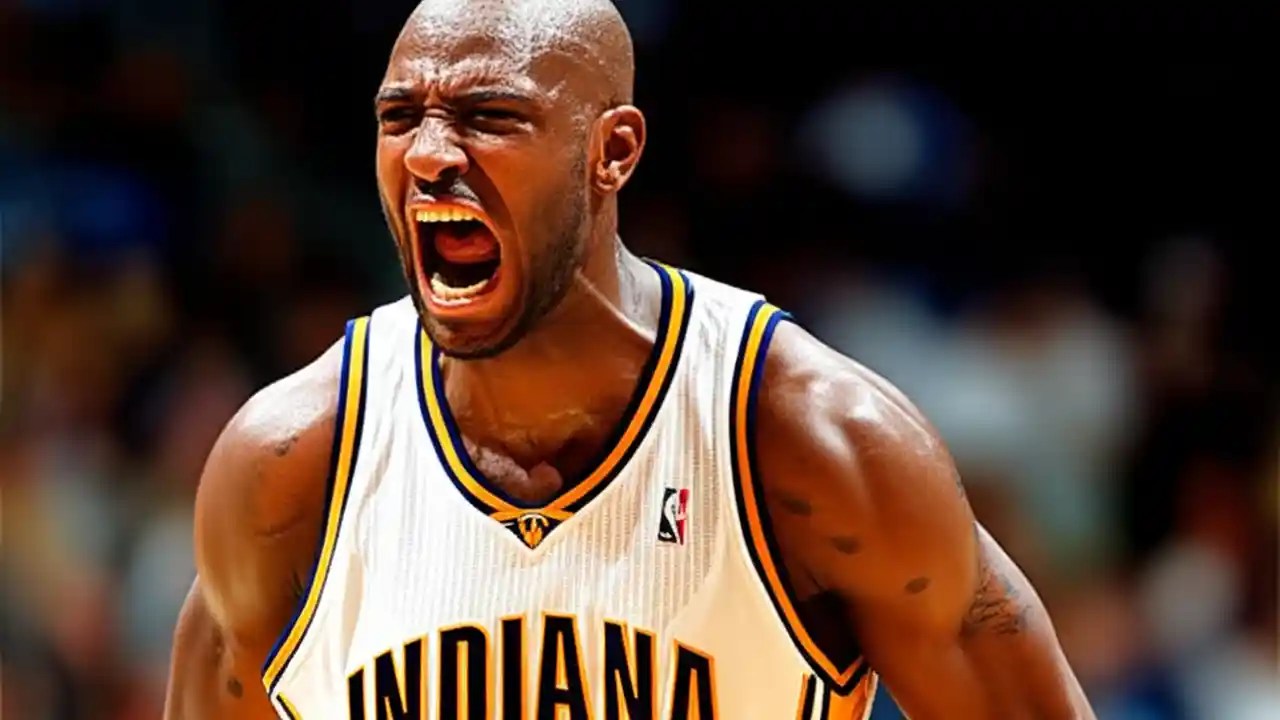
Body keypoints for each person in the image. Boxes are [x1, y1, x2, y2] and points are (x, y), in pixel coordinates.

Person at [163, 0, 1097, 717]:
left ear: (612, 152)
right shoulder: (287, 468)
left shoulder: (811, 443)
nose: (430, 154)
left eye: (489, 115)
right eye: (400, 115)